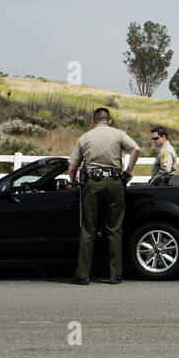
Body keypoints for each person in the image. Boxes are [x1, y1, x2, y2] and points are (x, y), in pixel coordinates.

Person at [67, 107, 140, 284]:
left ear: (93, 121)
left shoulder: (85, 137)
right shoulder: (118, 134)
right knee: (114, 229)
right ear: (109, 121)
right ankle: (115, 274)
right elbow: (136, 149)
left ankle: (83, 274)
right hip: (115, 183)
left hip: (93, 184)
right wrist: (128, 170)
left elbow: (71, 166)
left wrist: (73, 180)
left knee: (88, 229)